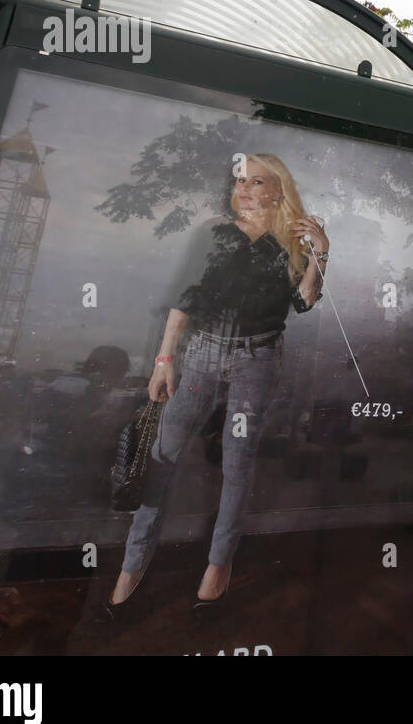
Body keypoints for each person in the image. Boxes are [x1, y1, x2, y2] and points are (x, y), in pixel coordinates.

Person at [108, 153, 327, 614]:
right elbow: (185, 296)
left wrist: (321, 251)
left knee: (238, 462)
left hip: (258, 359)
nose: (244, 187)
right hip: (203, 353)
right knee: (161, 454)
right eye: (240, 180)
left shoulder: (292, 242)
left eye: (257, 181)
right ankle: (132, 562)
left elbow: (304, 302)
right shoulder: (213, 233)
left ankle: (219, 562)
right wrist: (164, 359)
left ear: (277, 190)